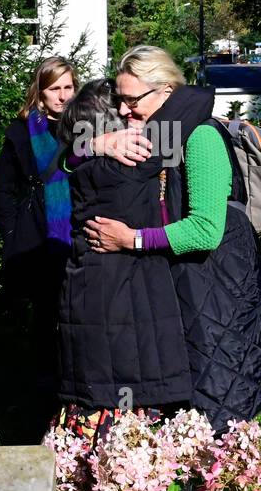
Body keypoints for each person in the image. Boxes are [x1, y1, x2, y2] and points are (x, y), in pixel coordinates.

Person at [82, 45, 261, 431]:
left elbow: (205, 229)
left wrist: (131, 240)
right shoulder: (163, 136)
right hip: (194, 285)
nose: (123, 111)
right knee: (194, 406)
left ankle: (223, 485)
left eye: (131, 100)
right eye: (120, 101)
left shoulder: (200, 137)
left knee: (218, 403)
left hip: (218, 289)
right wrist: (94, 144)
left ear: (166, 92)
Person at [50, 79, 193, 444]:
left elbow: (60, 159)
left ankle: (81, 474)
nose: (132, 112)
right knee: (127, 389)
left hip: (87, 288)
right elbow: (195, 103)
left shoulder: (86, 163)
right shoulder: (133, 160)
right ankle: (126, 477)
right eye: (123, 106)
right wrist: (166, 87)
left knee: (94, 393)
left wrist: (90, 144)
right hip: (119, 296)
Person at [0, 57, 80, 397]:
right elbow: (1, 191)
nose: (62, 96)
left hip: (79, 234)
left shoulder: (87, 129)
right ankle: (44, 388)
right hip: (38, 238)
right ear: (40, 94)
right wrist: (14, 234)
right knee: (45, 313)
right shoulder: (22, 133)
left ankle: (75, 379)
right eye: (54, 89)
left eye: (68, 87)